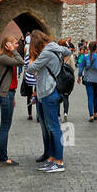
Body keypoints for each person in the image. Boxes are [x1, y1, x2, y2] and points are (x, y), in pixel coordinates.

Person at [26, 31, 71, 172]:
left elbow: (30, 68)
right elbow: (68, 50)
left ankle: (59, 162)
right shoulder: (55, 47)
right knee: (50, 127)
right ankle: (51, 158)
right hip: (46, 91)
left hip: (48, 92)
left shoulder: (46, 52)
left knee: (54, 128)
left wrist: (32, 57)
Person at [0, 37, 24, 166]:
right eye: (15, 43)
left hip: (9, 94)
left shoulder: (7, 58)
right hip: (5, 95)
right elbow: (21, 62)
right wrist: (14, 51)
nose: (17, 45)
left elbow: (11, 81)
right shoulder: (4, 58)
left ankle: (0, 156)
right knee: (5, 127)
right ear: (8, 45)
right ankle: (2, 158)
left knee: (5, 126)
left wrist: (13, 97)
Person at [80, 41, 97, 121]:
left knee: (90, 97)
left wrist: (79, 76)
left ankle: (91, 115)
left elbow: (81, 66)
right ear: (96, 49)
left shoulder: (84, 57)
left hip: (88, 79)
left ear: (88, 48)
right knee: (95, 97)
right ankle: (95, 113)